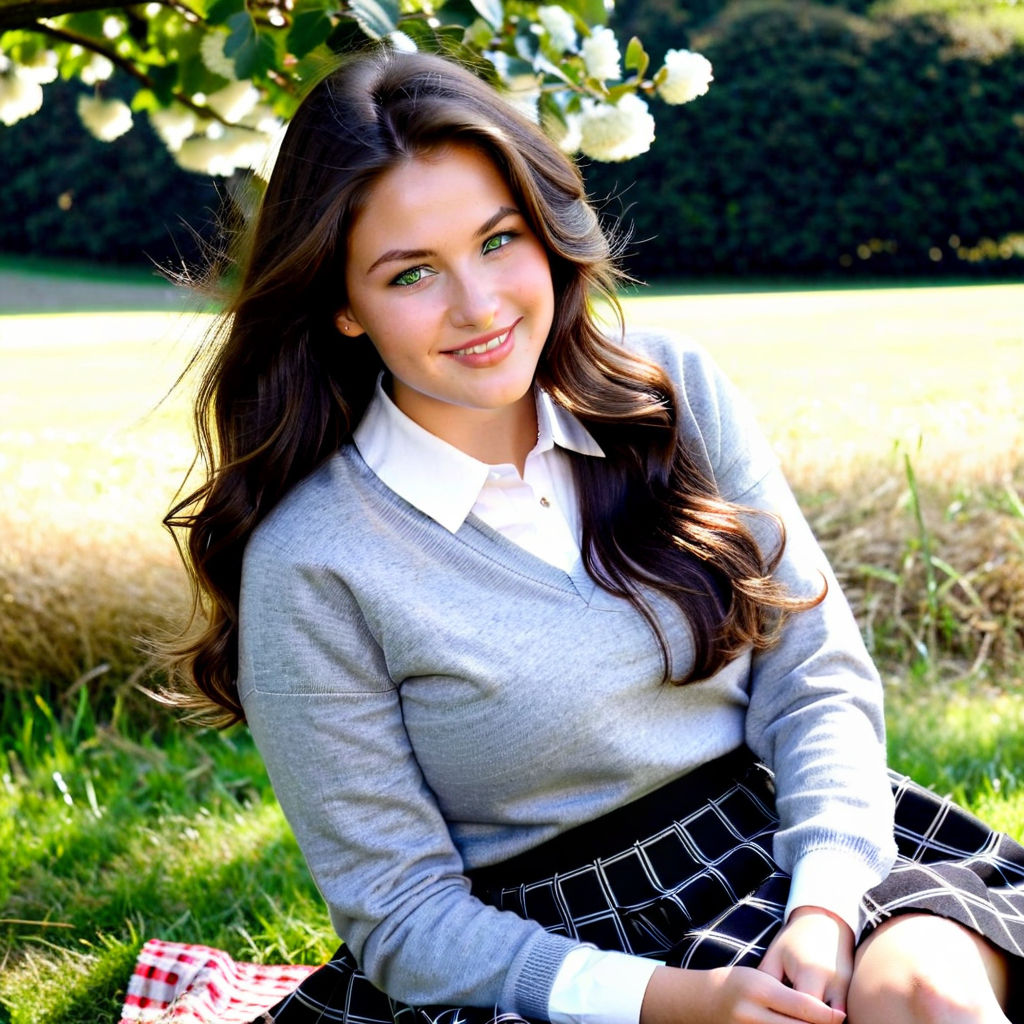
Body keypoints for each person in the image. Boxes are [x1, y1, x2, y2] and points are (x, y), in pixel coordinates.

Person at [164, 43, 1024, 1024]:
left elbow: (813, 679)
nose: (479, 306)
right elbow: (399, 914)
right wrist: (673, 1000)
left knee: (919, 994)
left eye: (498, 241)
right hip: (550, 956)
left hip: (794, 850)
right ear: (343, 307)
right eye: (411, 274)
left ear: (545, 228)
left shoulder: (670, 390)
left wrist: (824, 903)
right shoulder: (313, 560)